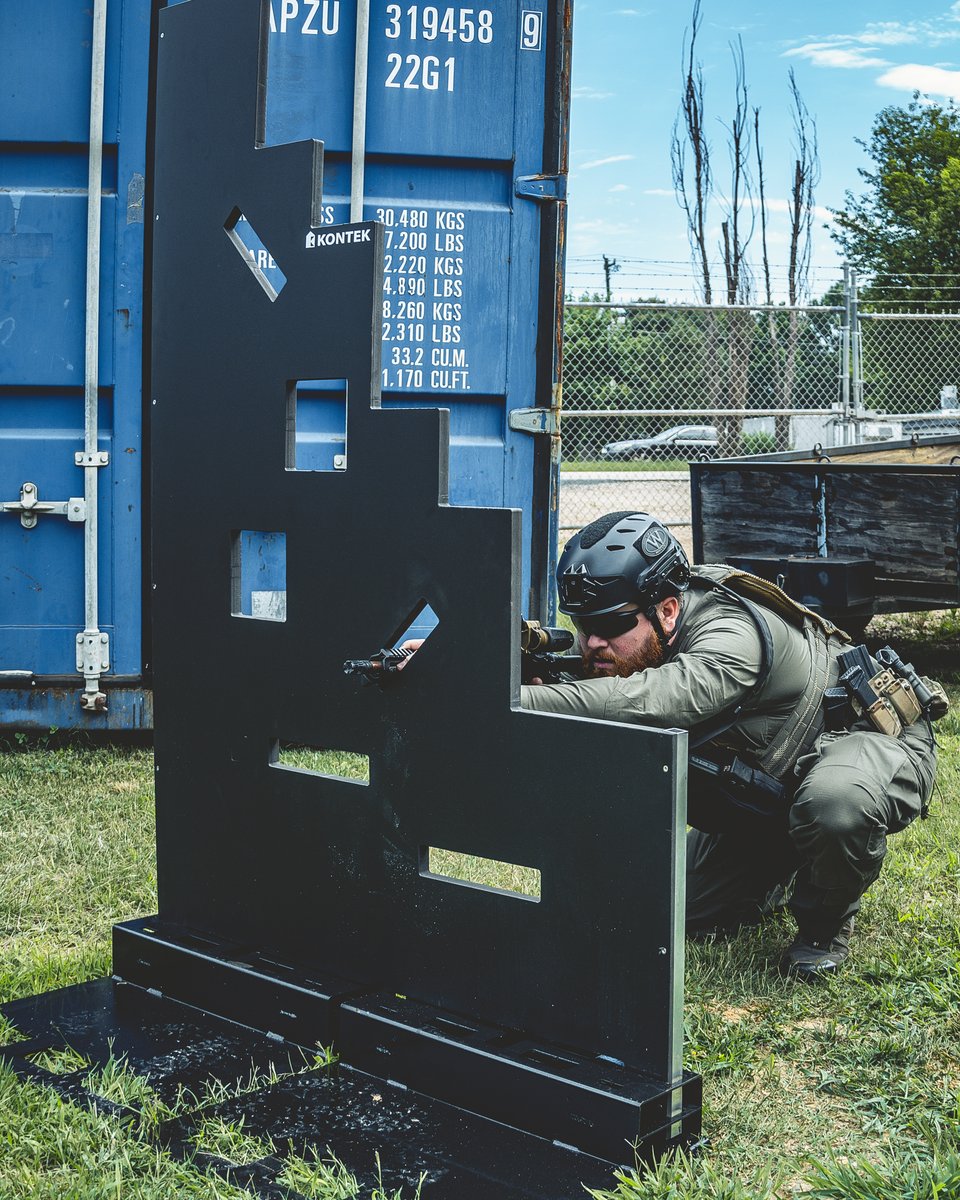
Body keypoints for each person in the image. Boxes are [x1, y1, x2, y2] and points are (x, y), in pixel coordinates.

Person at [521, 511, 940, 980]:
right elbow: (598, 687)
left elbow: (653, 699)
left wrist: (514, 699)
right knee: (647, 907)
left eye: (611, 624)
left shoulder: (732, 634)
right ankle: (783, 860)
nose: (593, 642)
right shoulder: (638, 634)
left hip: (871, 736)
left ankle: (823, 929)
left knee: (835, 804)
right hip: (767, 791)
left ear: (667, 610)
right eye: (582, 625)